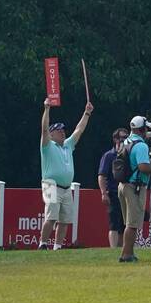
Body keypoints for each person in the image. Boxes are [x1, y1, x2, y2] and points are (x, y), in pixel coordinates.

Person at [39, 96, 93, 249]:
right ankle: (42, 244)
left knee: (65, 220)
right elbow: (44, 128)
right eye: (58, 130)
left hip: (66, 187)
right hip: (50, 184)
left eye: (63, 130)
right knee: (51, 217)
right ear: (51, 134)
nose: (62, 132)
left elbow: (79, 129)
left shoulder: (68, 145)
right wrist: (47, 109)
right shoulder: (47, 145)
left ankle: (57, 246)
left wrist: (87, 113)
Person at [117, 117, 151, 263]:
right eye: (146, 129)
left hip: (123, 185)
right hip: (134, 187)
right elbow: (143, 167)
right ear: (142, 129)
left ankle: (128, 253)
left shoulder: (126, 142)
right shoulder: (141, 145)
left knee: (129, 223)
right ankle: (126, 254)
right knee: (133, 224)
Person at [98, 127, 129, 248]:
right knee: (114, 225)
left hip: (126, 193)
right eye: (122, 138)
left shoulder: (128, 154)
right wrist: (103, 193)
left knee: (124, 225)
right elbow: (101, 175)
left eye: (126, 138)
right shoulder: (109, 156)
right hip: (113, 193)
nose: (124, 140)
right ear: (115, 139)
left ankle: (122, 249)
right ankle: (113, 249)